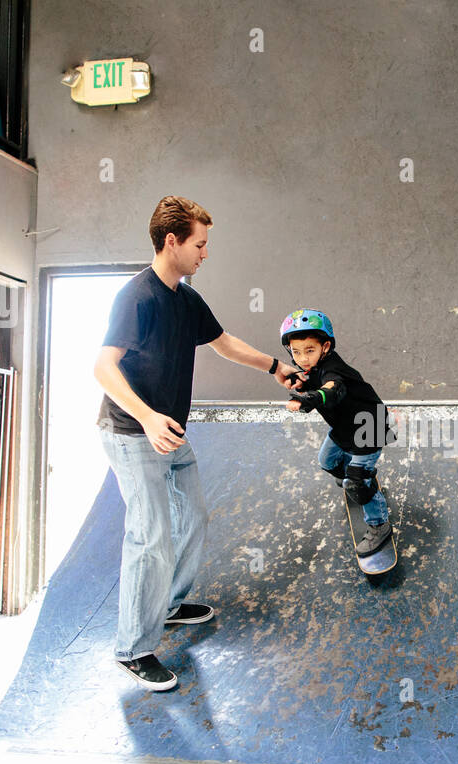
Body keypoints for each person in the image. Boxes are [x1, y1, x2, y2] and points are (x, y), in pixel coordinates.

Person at [94, 196, 303, 691]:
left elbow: (223, 341)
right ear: (173, 242)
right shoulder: (137, 297)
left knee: (193, 516)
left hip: (171, 434)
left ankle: (167, 606)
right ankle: (133, 649)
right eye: (200, 244)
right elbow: (103, 366)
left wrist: (275, 368)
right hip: (132, 432)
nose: (205, 254)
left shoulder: (185, 299)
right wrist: (146, 418)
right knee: (151, 538)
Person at [281, 309, 394, 555]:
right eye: (296, 352)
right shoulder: (312, 368)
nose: (303, 358)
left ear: (326, 347)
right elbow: (314, 380)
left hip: (368, 428)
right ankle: (359, 476)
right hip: (345, 427)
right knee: (327, 461)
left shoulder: (334, 369)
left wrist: (310, 397)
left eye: (309, 350)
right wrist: (302, 382)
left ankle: (379, 523)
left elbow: (331, 389)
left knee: (356, 483)